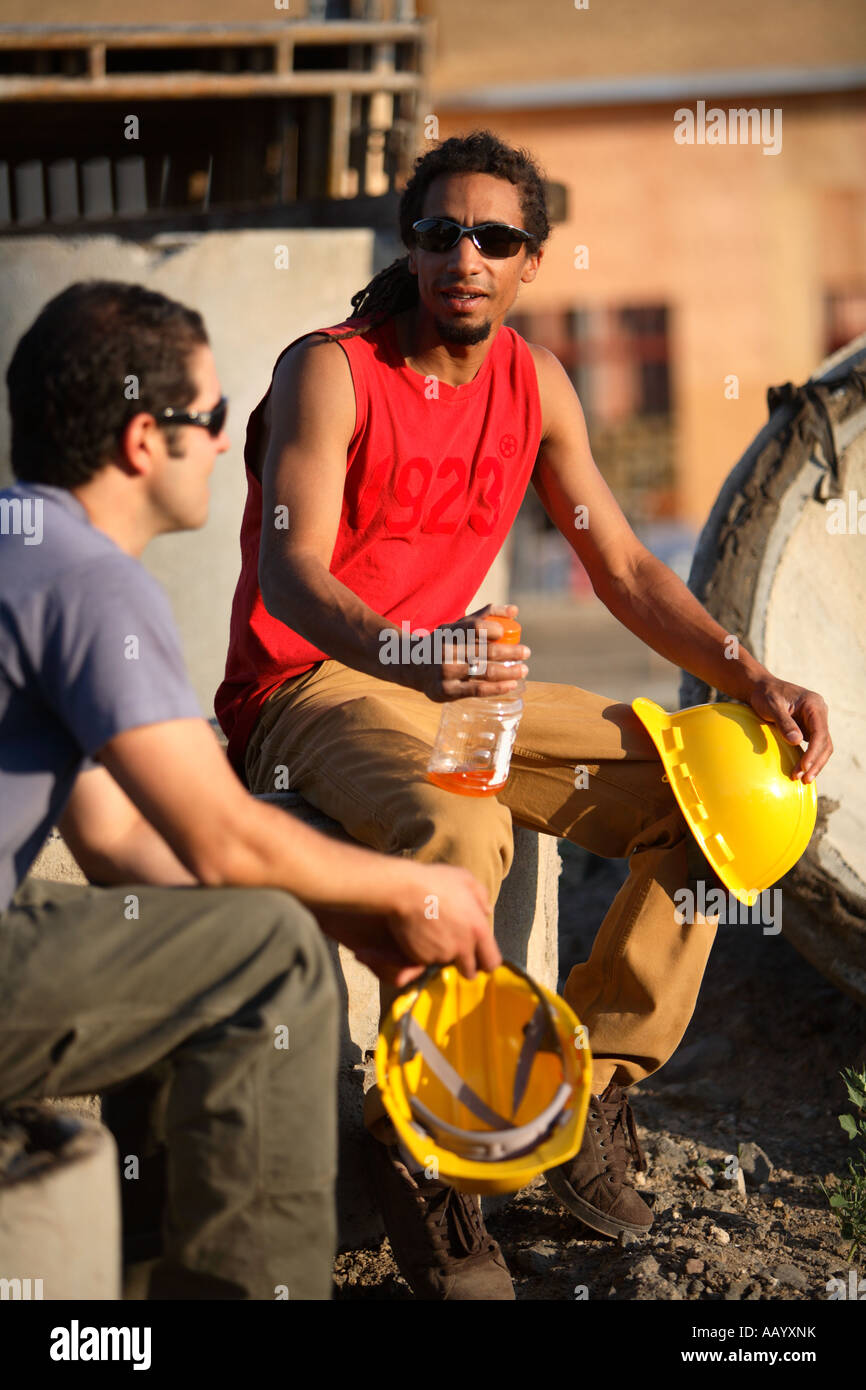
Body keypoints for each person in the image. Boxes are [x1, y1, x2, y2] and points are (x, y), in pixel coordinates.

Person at [215, 129, 833, 1301]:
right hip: (313, 689)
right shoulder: (331, 370)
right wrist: (412, 652)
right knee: (459, 835)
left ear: (530, 262)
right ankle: (431, 1145)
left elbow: (627, 573)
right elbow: (292, 576)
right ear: (410, 244)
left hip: (455, 686)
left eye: (492, 237)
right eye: (439, 232)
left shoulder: (534, 384)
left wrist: (751, 674)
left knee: (726, 792)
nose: (463, 255)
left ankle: (585, 1088)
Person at [0, 280, 498, 1302]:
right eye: (214, 418)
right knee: (266, 955)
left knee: (188, 929)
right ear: (146, 438)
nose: (231, 446)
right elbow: (225, 836)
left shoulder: (22, 544)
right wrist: (411, 892)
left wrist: (356, 924)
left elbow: (124, 845)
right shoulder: (91, 582)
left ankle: (140, 1289)